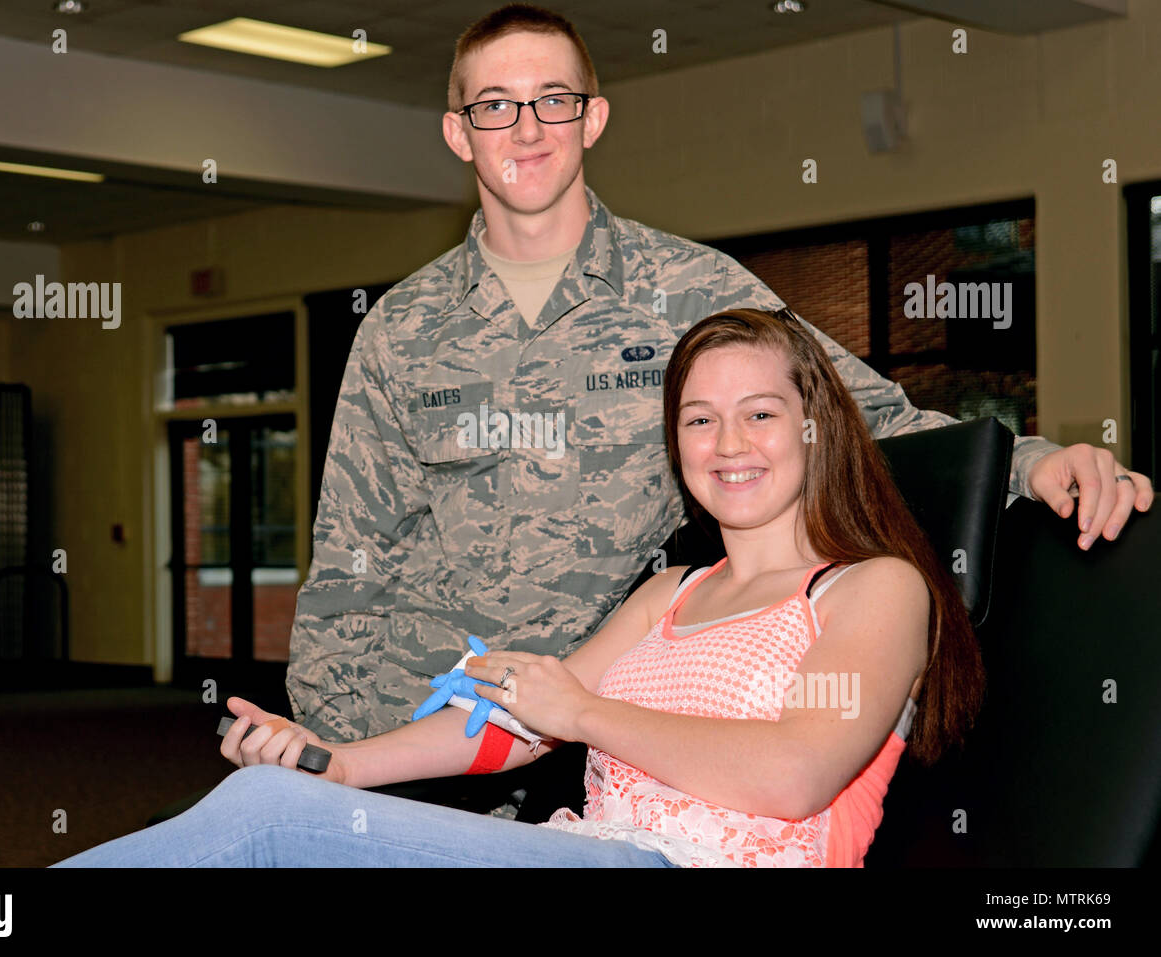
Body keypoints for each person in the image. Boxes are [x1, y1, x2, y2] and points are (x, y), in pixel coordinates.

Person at [284, 4, 1152, 748]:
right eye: (495, 105)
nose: (527, 129)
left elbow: (859, 419)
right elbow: (351, 559)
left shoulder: (691, 292)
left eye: (553, 99)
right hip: (415, 723)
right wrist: (335, 750)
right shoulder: (401, 327)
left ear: (593, 119)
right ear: (457, 132)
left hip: (593, 724)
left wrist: (1031, 462)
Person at [53, 308, 978, 867]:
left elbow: (793, 773)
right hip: (596, 850)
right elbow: (521, 722)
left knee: (264, 825)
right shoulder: (672, 595)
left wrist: (584, 712)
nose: (728, 443)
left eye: (759, 414)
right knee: (284, 811)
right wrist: (335, 761)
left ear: (815, 426)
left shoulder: (874, 590)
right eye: (700, 419)